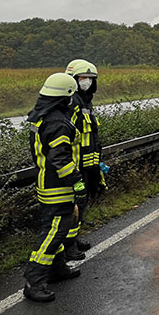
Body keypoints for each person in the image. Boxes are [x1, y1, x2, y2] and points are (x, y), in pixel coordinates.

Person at [23, 73, 84, 303]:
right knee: (53, 233)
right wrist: (77, 181)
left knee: (57, 229)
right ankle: (34, 281)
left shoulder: (41, 116)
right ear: (65, 97)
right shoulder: (57, 122)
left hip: (45, 183)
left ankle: (57, 269)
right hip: (57, 187)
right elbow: (61, 159)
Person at [63, 59, 103, 258]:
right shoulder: (71, 102)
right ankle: (68, 246)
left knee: (82, 204)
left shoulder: (87, 102)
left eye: (90, 78)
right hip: (73, 165)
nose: (86, 81)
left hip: (87, 164)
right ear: (73, 79)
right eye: (82, 78)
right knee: (72, 207)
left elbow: (91, 134)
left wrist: (97, 163)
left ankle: (74, 239)